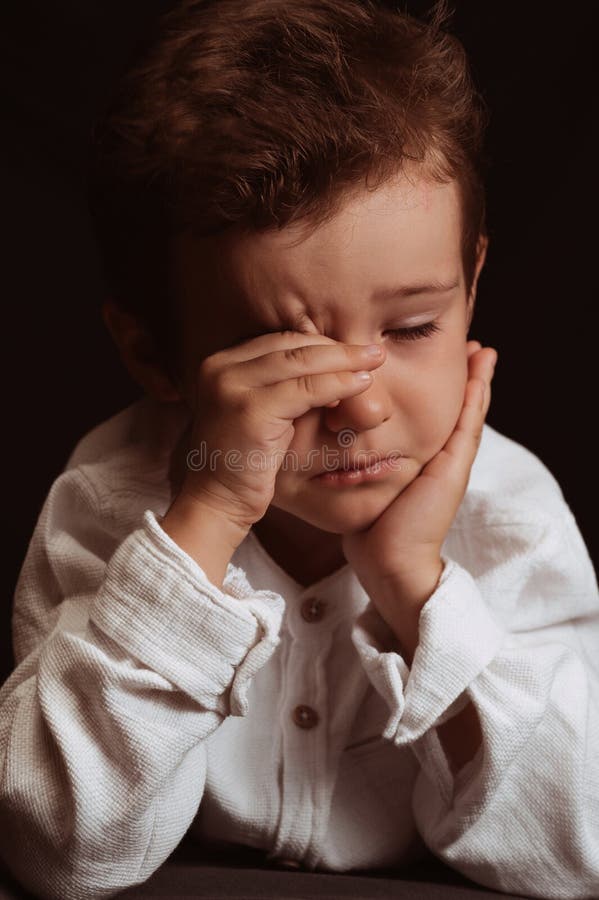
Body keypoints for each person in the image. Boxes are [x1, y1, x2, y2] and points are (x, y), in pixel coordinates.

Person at [1, 1, 597, 898]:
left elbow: (575, 851)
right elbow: (60, 850)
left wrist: (415, 587)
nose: (355, 400)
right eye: (279, 360)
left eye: (412, 327)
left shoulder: (509, 516)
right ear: (152, 354)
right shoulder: (107, 499)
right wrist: (202, 522)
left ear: (472, 283)